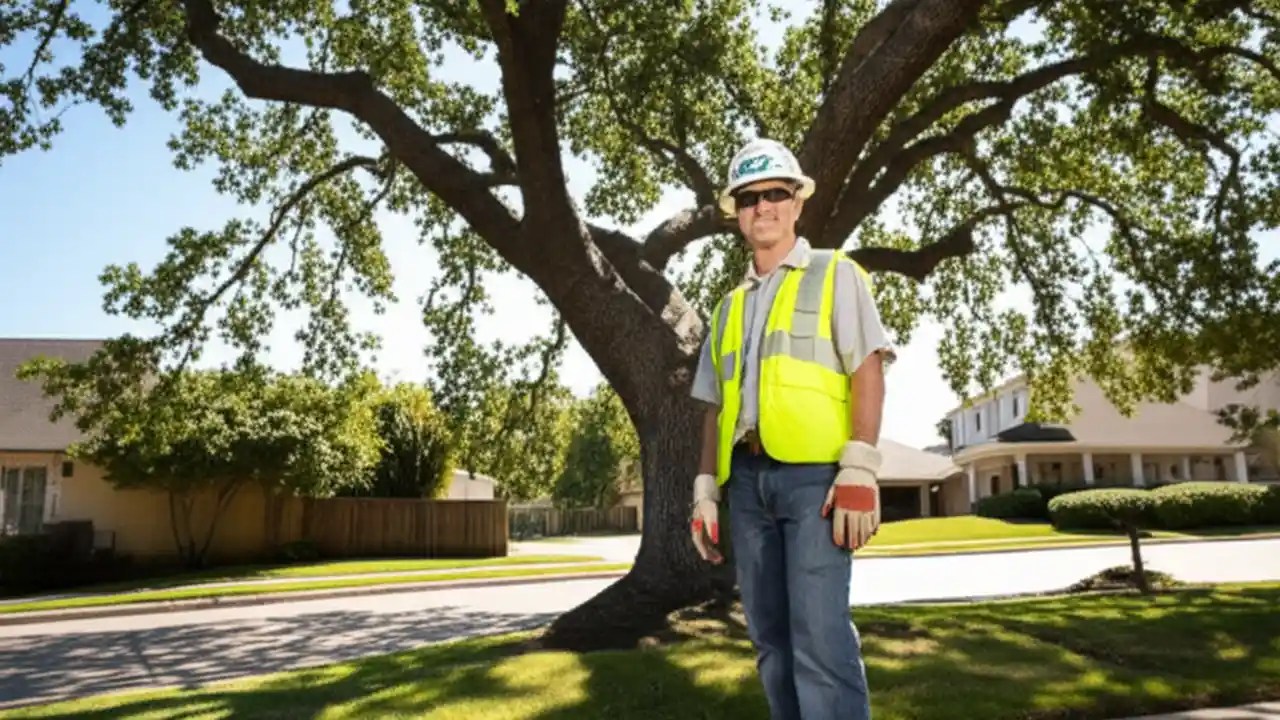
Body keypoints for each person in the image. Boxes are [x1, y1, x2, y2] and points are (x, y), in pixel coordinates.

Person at [688, 137, 895, 720]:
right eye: (750, 197)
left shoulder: (836, 274)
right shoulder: (727, 308)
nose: (763, 206)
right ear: (737, 213)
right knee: (771, 644)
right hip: (747, 484)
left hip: (817, 484)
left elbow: (868, 367)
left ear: (797, 202)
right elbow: (712, 408)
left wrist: (859, 467)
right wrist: (705, 493)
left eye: (775, 193)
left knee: (819, 640)